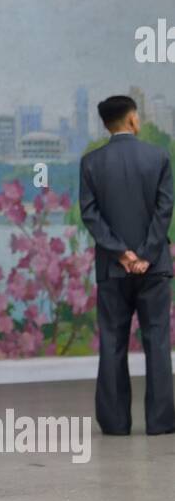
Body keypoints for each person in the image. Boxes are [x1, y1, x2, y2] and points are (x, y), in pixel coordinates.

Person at [80, 94, 175, 436]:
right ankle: (162, 422)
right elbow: (164, 211)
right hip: (155, 269)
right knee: (158, 343)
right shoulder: (159, 157)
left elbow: (90, 215)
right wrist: (147, 254)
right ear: (133, 119)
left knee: (112, 342)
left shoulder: (91, 163)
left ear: (106, 124)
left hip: (112, 270)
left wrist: (122, 254)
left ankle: (115, 423)